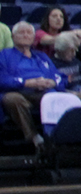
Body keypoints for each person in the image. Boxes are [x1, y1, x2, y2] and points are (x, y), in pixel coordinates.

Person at [1, 20, 63, 155]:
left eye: (29, 33)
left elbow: (58, 77)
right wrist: (26, 82)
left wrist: (52, 82)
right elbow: (2, 79)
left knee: (80, 97)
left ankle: (70, 138)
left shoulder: (41, 56)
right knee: (13, 99)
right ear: (13, 37)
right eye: (21, 33)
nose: (25, 35)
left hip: (45, 91)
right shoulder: (4, 55)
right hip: (18, 91)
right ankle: (35, 138)